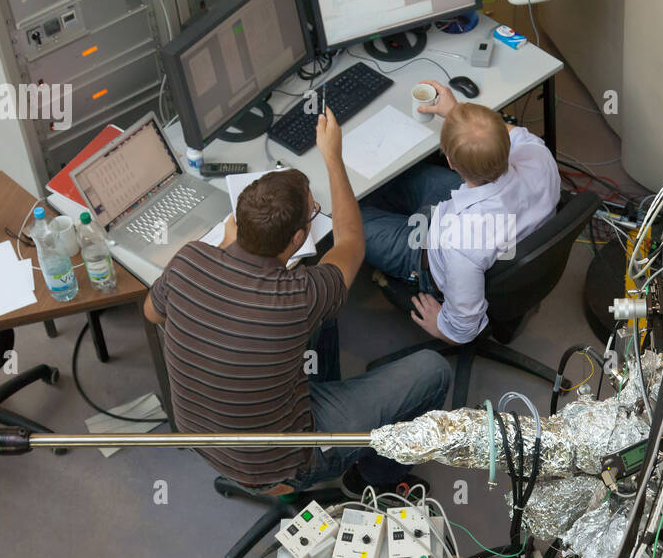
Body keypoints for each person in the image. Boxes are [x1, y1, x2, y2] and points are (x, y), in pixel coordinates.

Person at [144, 108, 451, 494]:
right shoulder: (298, 295)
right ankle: (374, 479)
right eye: (312, 216)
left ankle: (322, 391)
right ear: (295, 240)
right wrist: (333, 159)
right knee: (433, 370)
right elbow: (351, 243)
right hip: (288, 460)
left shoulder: (189, 259)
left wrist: (223, 256)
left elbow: (151, 312)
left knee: (326, 316)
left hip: (201, 437)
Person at [360, 80, 560, 344]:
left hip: (430, 254)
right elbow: (506, 131)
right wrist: (457, 113)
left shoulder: (461, 243)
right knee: (396, 177)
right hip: (477, 214)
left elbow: (464, 327)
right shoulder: (537, 154)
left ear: (451, 162)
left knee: (348, 222)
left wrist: (443, 329)